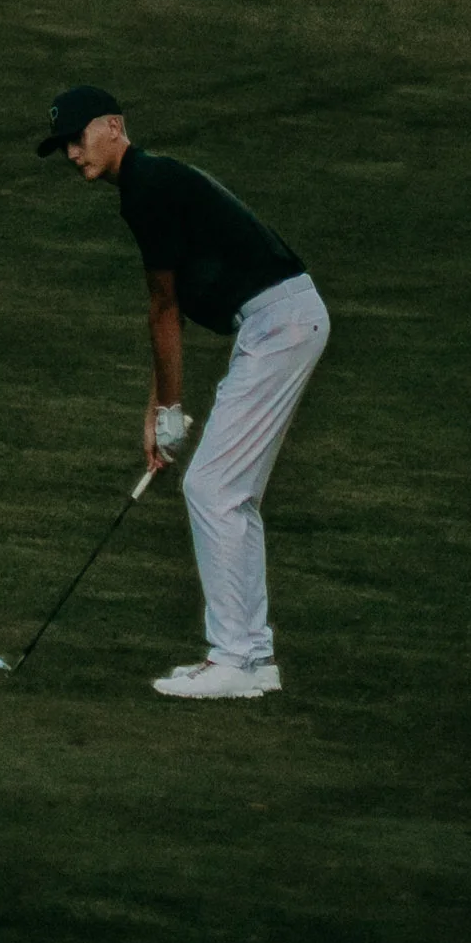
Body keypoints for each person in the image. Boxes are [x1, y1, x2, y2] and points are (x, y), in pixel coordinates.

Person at [34, 81, 330, 700]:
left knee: (213, 487)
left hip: (280, 324)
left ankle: (235, 660)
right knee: (230, 492)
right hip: (280, 322)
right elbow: (165, 313)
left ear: (113, 126)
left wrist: (171, 411)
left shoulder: (147, 188)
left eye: (77, 137)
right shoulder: (152, 182)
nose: (70, 153)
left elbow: (163, 307)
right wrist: (156, 411)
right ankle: (253, 659)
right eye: (63, 144)